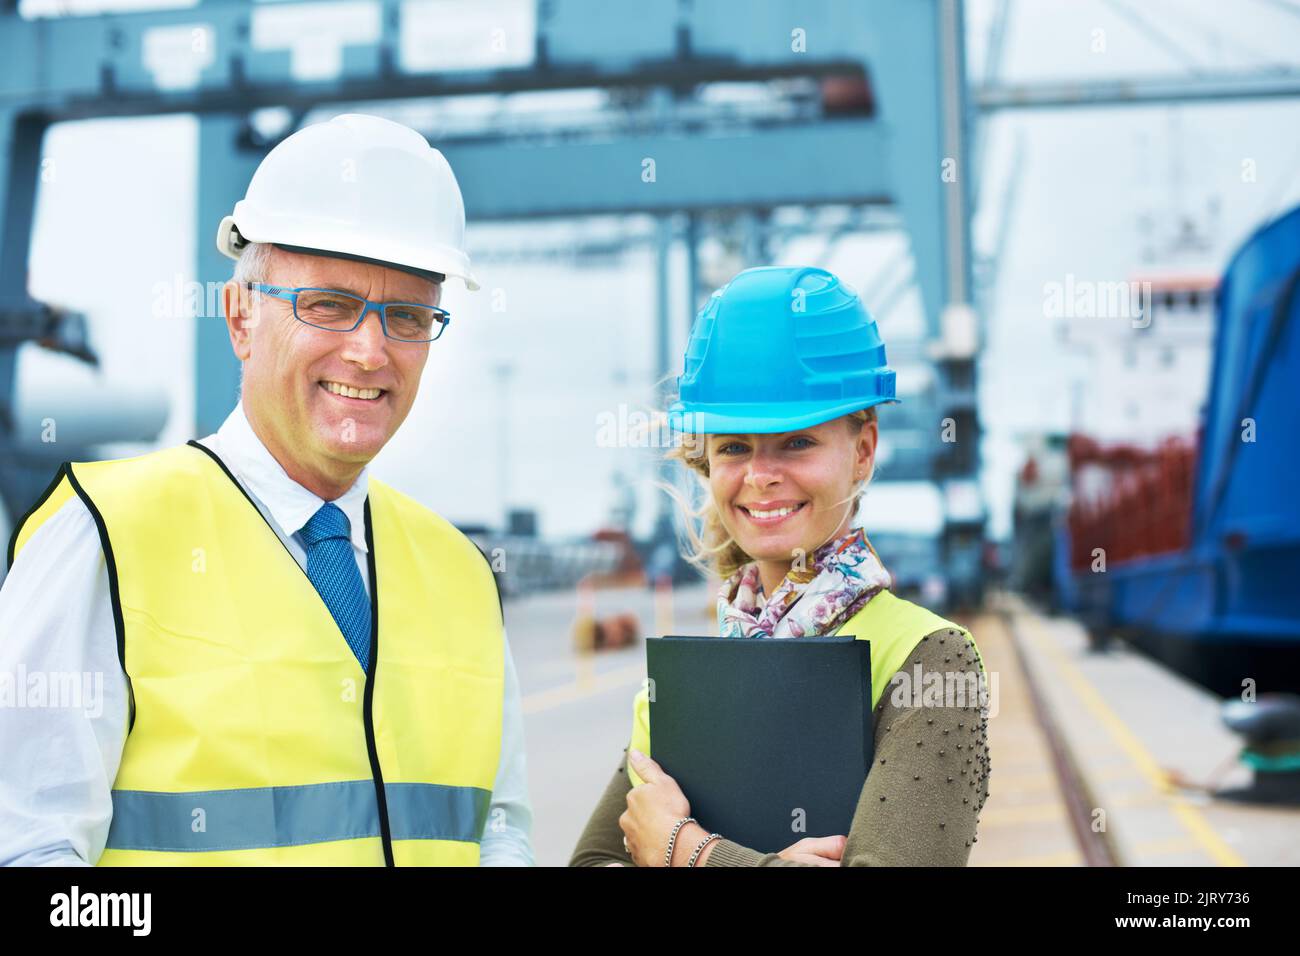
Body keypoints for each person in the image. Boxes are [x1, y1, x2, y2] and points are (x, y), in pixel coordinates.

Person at [0, 114, 533, 866]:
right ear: (241, 315)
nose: (370, 350)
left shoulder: (463, 575)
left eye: (407, 317)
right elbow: (30, 853)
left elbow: (498, 827)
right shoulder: (106, 539)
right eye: (329, 305)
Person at [570, 266, 990, 867]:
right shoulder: (688, 675)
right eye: (734, 447)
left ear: (863, 450)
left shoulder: (928, 658)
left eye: (797, 442)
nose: (761, 476)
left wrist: (685, 851)